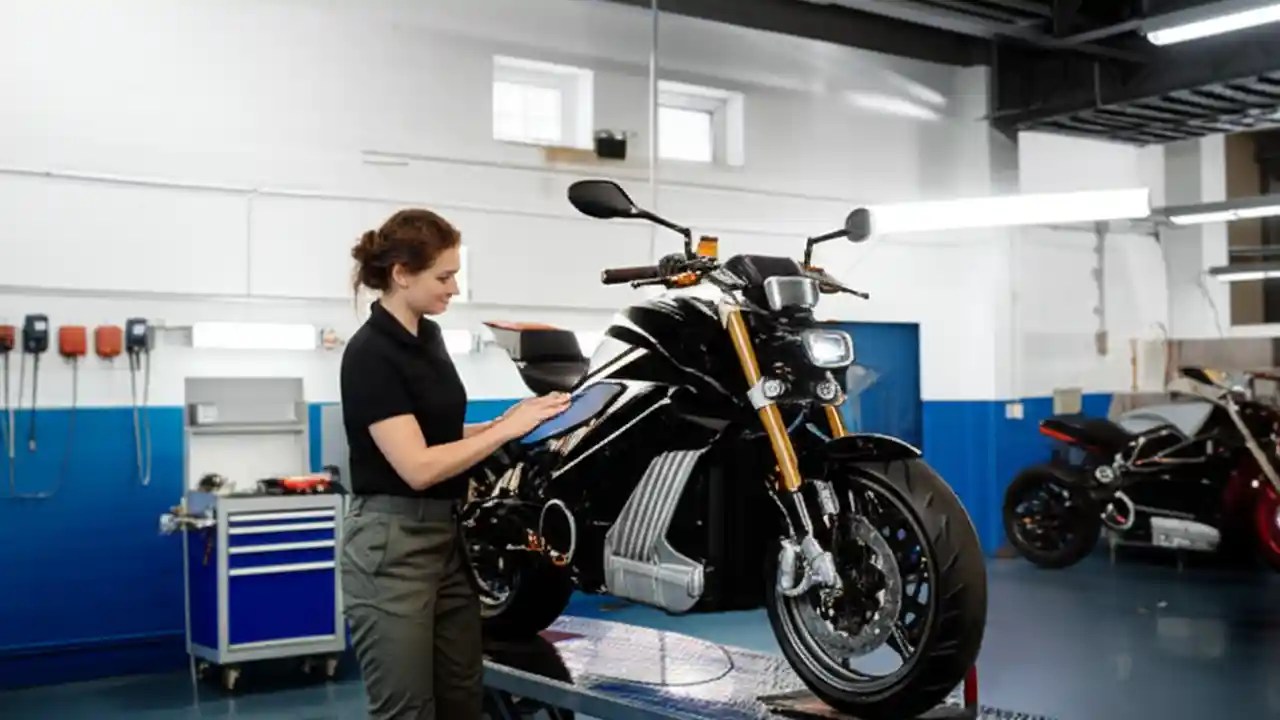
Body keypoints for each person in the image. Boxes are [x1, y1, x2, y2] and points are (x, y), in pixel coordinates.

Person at [339, 208, 570, 720]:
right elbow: (418, 466)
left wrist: (505, 424)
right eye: (444, 276)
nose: (455, 288)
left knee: (462, 698)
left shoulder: (429, 339)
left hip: (448, 540)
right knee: (408, 710)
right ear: (401, 274)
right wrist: (504, 431)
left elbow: (439, 437)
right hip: (391, 549)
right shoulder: (370, 354)